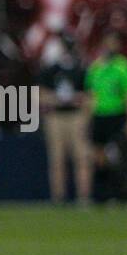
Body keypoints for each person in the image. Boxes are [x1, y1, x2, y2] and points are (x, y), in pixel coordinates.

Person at [83, 31, 127, 203]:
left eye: (113, 43)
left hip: (117, 115)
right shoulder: (95, 67)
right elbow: (90, 95)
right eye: (108, 43)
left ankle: (123, 193)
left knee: (120, 154)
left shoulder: (124, 67)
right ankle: (103, 192)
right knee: (98, 155)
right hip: (100, 116)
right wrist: (87, 119)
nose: (110, 47)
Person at [37, 34, 90, 204]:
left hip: (76, 117)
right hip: (56, 117)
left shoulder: (81, 70)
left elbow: (90, 96)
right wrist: (57, 99)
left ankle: (84, 198)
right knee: (57, 159)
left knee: (81, 157)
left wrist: (80, 103)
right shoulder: (50, 70)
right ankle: (58, 198)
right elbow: (39, 95)